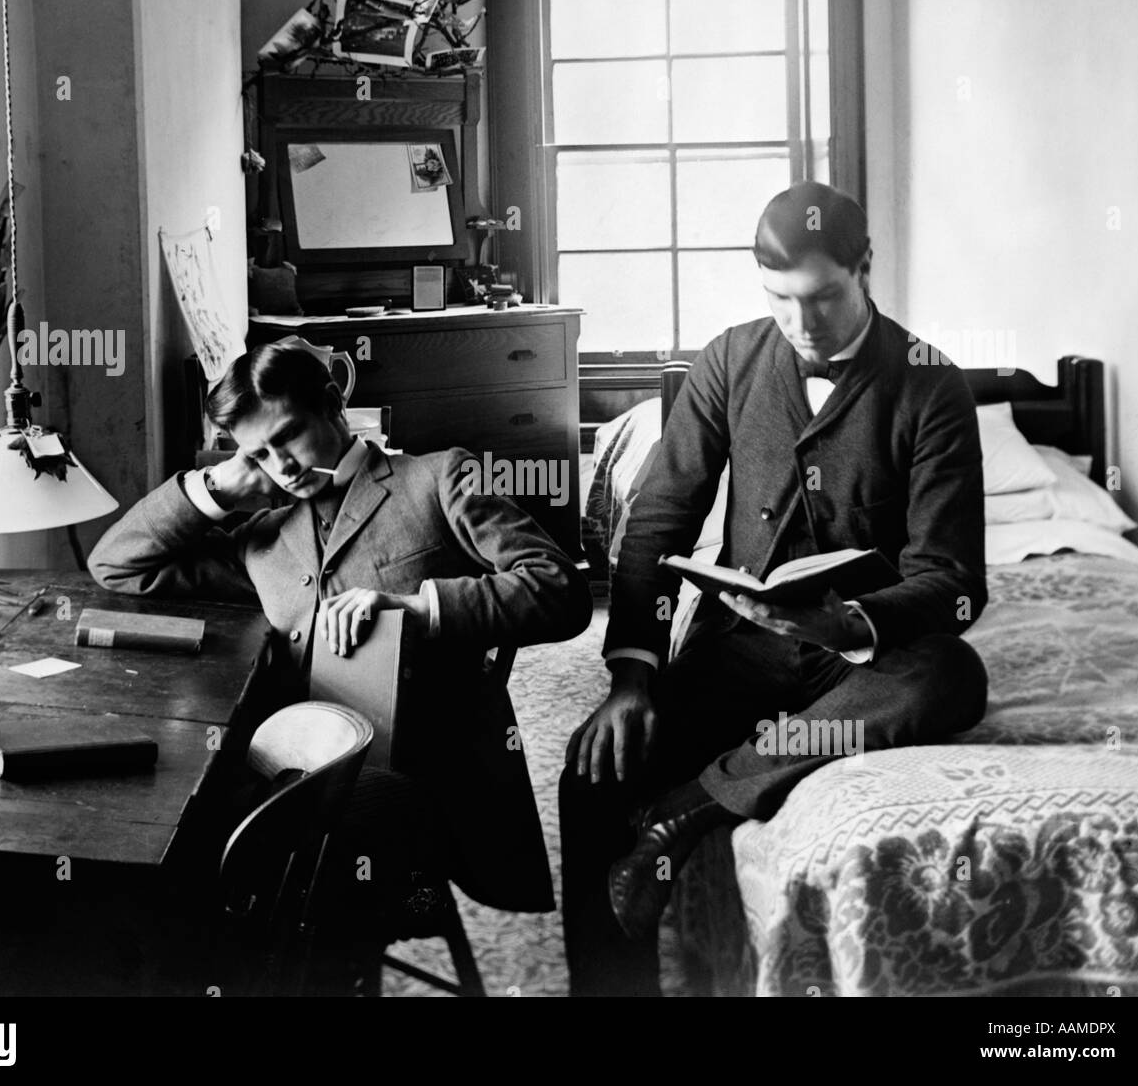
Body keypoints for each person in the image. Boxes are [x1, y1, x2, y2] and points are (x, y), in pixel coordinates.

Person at [559, 181, 990, 996]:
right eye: (780, 301)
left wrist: (849, 621)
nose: (803, 325)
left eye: (824, 298)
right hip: (738, 653)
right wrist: (632, 675)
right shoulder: (729, 360)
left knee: (950, 673)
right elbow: (658, 522)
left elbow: (955, 581)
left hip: (859, 663)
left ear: (866, 269)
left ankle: (689, 809)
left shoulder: (933, 386)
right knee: (592, 771)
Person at [88, 337, 593, 922]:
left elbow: (561, 591)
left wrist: (419, 608)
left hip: (416, 781)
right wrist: (218, 490)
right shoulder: (264, 536)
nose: (283, 467)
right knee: (164, 837)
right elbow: (115, 566)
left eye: (288, 437)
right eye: (258, 455)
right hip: (297, 776)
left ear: (332, 405)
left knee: (228, 874)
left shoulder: (436, 478)